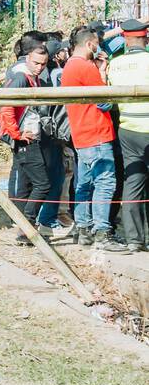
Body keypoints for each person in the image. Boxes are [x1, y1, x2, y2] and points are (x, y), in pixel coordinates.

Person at [0, 38, 65, 246]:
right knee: (43, 184)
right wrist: (16, 134)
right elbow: (6, 109)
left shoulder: (34, 79)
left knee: (25, 187)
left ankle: (22, 229)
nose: (39, 67)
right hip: (26, 140)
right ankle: (28, 224)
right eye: (36, 63)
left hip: (31, 137)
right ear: (28, 59)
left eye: (43, 64)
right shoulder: (21, 78)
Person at [65, 26, 126, 251]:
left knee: (85, 184)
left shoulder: (70, 66)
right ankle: (102, 231)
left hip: (81, 133)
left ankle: (83, 227)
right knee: (105, 182)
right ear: (91, 44)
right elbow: (105, 101)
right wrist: (102, 75)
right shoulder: (85, 66)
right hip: (97, 132)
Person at [109, 18, 149, 253]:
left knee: (133, 183)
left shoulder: (115, 64)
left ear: (124, 38)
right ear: (145, 38)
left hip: (128, 129)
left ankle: (134, 239)